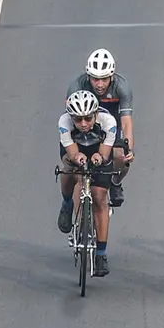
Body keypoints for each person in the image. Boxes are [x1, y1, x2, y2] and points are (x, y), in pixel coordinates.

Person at [57, 89, 117, 276]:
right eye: (78, 119)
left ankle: (101, 255)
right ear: (71, 118)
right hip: (76, 149)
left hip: (100, 150)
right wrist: (77, 158)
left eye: (88, 119)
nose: (83, 124)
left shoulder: (108, 122)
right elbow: (72, 152)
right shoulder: (64, 122)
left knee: (99, 197)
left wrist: (99, 158)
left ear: (96, 114)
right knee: (69, 170)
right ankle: (67, 203)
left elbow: (105, 153)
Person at [66, 49, 134, 207]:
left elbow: (126, 122)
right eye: (95, 79)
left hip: (110, 128)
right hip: (84, 127)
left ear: (112, 76)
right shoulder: (77, 86)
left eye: (104, 79)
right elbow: (70, 120)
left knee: (122, 156)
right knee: (74, 168)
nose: (100, 85)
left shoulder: (122, 87)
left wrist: (129, 148)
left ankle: (115, 183)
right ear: (88, 76)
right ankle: (70, 204)